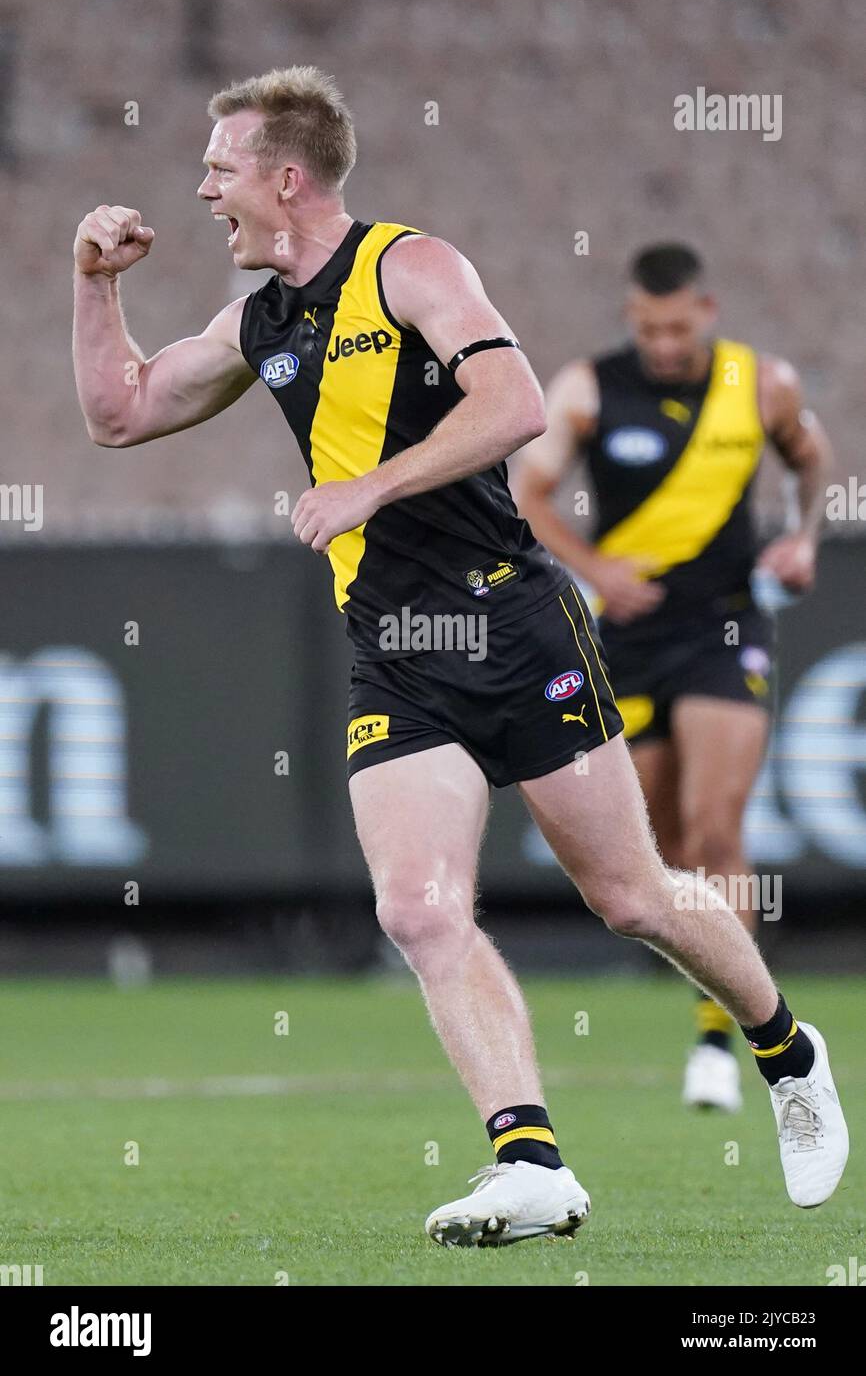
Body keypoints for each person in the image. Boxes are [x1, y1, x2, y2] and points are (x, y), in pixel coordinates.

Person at [72, 71, 847, 1247]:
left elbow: (515, 400)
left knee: (630, 896)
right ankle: (527, 1159)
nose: (201, 188)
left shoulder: (409, 264)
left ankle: (788, 1052)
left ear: (287, 178)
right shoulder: (255, 324)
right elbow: (119, 413)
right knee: (419, 906)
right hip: (391, 649)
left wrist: (368, 486)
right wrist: (92, 284)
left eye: (219, 168)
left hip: (512, 619)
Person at [513, 242, 834, 1115]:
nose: (661, 342)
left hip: (726, 627)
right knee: (654, 855)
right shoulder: (585, 387)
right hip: (627, 636)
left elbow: (812, 458)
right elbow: (529, 493)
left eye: (675, 325)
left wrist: (802, 538)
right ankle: (714, 1002)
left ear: (708, 309)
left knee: (715, 824)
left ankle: (717, 1041)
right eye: (646, 327)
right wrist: (594, 570)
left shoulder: (762, 383)